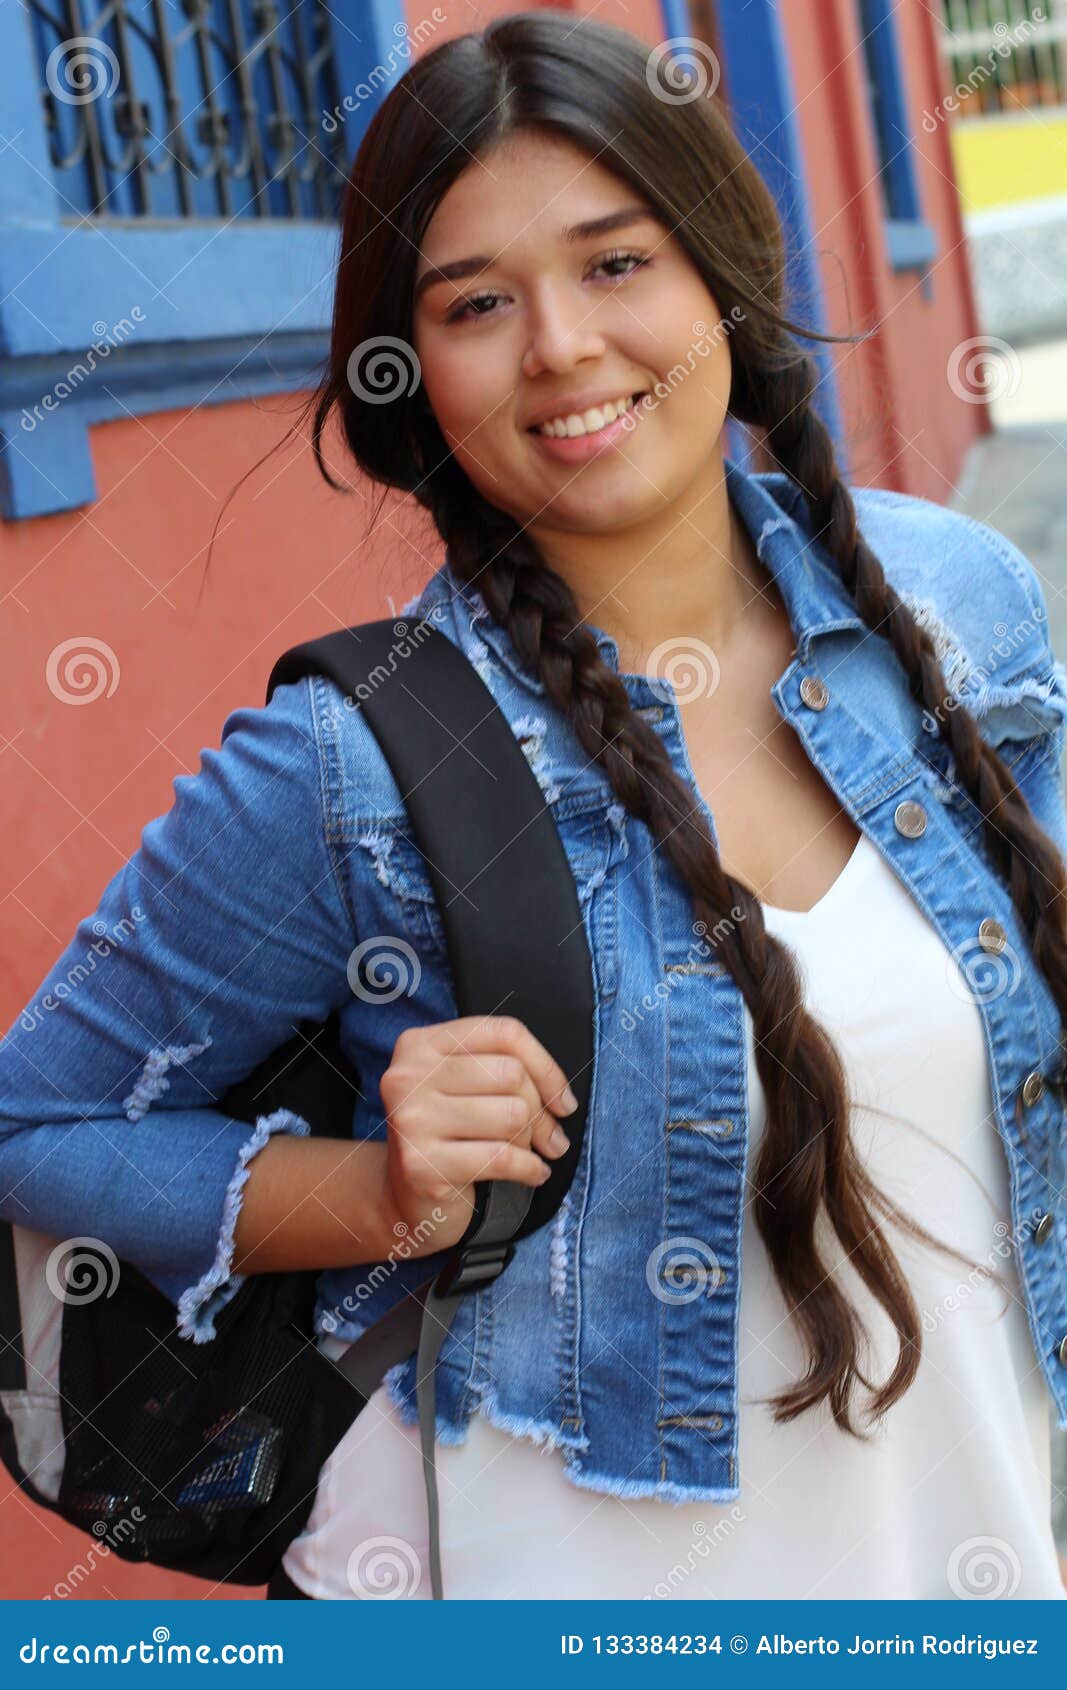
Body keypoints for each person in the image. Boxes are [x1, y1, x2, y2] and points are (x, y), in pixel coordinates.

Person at [3, 11, 1067, 1602]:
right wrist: (372, 1189)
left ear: (722, 270)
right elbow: (38, 1128)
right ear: (413, 369)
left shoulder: (956, 604)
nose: (561, 345)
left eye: (617, 263)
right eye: (477, 304)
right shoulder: (350, 759)